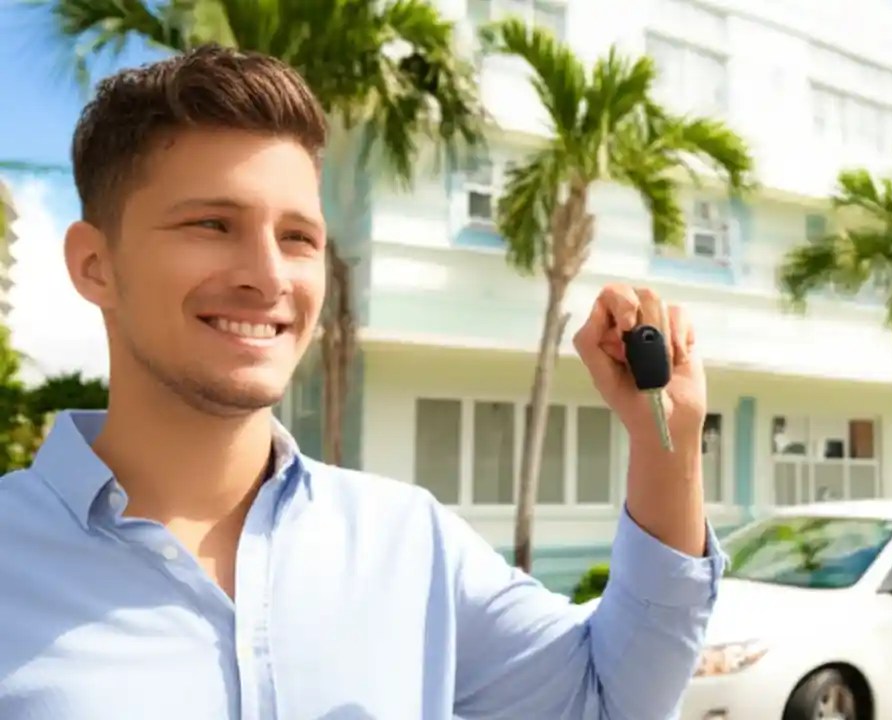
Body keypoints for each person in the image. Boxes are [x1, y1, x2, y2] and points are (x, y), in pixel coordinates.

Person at [0, 46, 725, 720]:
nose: (269, 275)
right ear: (95, 264)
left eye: (299, 237)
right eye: (212, 224)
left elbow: (607, 700)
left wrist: (666, 441)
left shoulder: (409, 541)